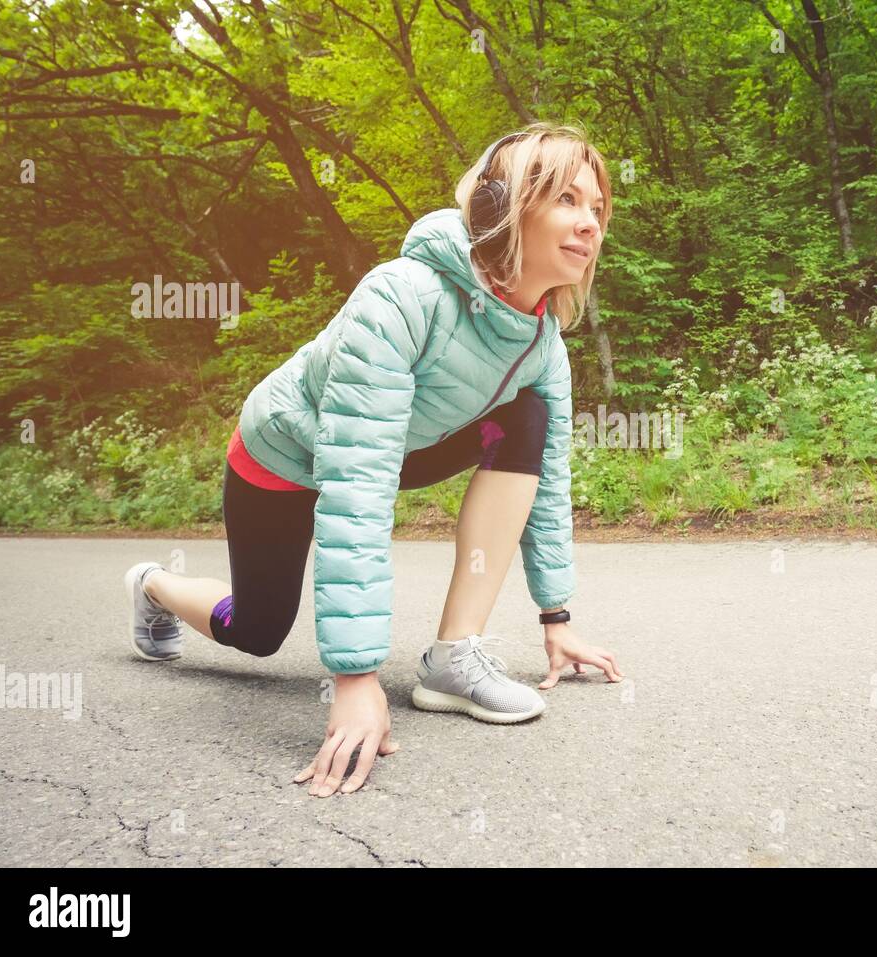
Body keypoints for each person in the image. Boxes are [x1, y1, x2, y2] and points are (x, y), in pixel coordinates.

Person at [122, 121, 624, 798]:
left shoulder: (541, 345)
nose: (589, 223)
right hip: (282, 455)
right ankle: (152, 584)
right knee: (259, 629)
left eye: (596, 207)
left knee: (526, 416)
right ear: (498, 207)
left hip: (403, 446)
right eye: (567, 199)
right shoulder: (402, 296)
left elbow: (550, 479)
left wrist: (556, 618)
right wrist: (354, 678)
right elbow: (357, 481)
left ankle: (454, 655)